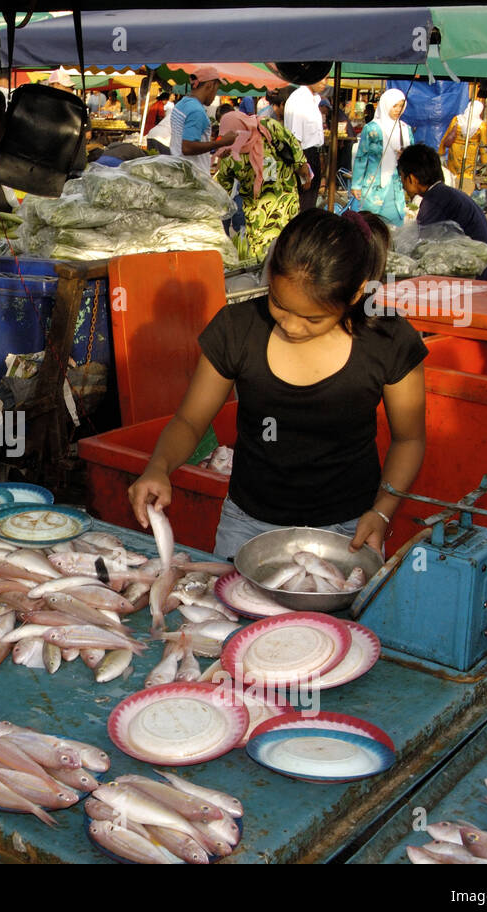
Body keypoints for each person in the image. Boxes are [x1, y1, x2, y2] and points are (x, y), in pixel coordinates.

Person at [128, 209, 426, 560]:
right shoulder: (238, 329)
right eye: (279, 305)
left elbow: (410, 439)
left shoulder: (388, 338)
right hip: (248, 525)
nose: (292, 326)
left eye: (313, 318)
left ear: (356, 294)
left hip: (350, 529)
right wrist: (159, 467)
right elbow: (190, 421)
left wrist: (381, 511)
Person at [214, 109, 311, 260]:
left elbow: (292, 142)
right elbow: (222, 189)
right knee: (261, 256)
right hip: (257, 213)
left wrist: (303, 168)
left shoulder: (266, 126)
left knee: (288, 248)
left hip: (285, 200)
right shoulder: (230, 155)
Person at [397, 143, 487, 280]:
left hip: (473, 272)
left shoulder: (435, 201)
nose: (402, 184)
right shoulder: (444, 194)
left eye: (402, 177)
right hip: (481, 266)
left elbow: (423, 246)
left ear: (412, 179)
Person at [351, 89, 412, 226]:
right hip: (373, 186)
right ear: (386, 105)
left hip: (396, 186)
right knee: (371, 223)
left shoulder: (405, 129)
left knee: (395, 224)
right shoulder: (372, 129)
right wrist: (356, 185)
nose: (398, 110)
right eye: (394, 106)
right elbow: (361, 158)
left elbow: (413, 155)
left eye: (401, 106)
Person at [171, 67, 234, 177]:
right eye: (216, 90)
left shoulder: (182, 104)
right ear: (210, 85)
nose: (215, 96)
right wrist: (221, 142)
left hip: (180, 171)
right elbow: (187, 147)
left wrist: (215, 146)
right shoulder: (197, 111)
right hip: (194, 178)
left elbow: (187, 140)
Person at [284, 78, 327, 211]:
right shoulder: (299, 99)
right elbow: (295, 138)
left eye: (327, 78)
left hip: (311, 156)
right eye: (322, 78)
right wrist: (303, 171)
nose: (325, 82)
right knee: (304, 205)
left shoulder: (312, 99)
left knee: (309, 204)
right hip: (303, 157)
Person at [442, 99, 486, 186]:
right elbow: (483, 145)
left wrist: (441, 152)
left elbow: (447, 135)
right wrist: (485, 162)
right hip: (470, 152)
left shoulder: (457, 119)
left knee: (453, 174)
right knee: (467, 174)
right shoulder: (481, 125)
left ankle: (452, 187)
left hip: (455, 151)